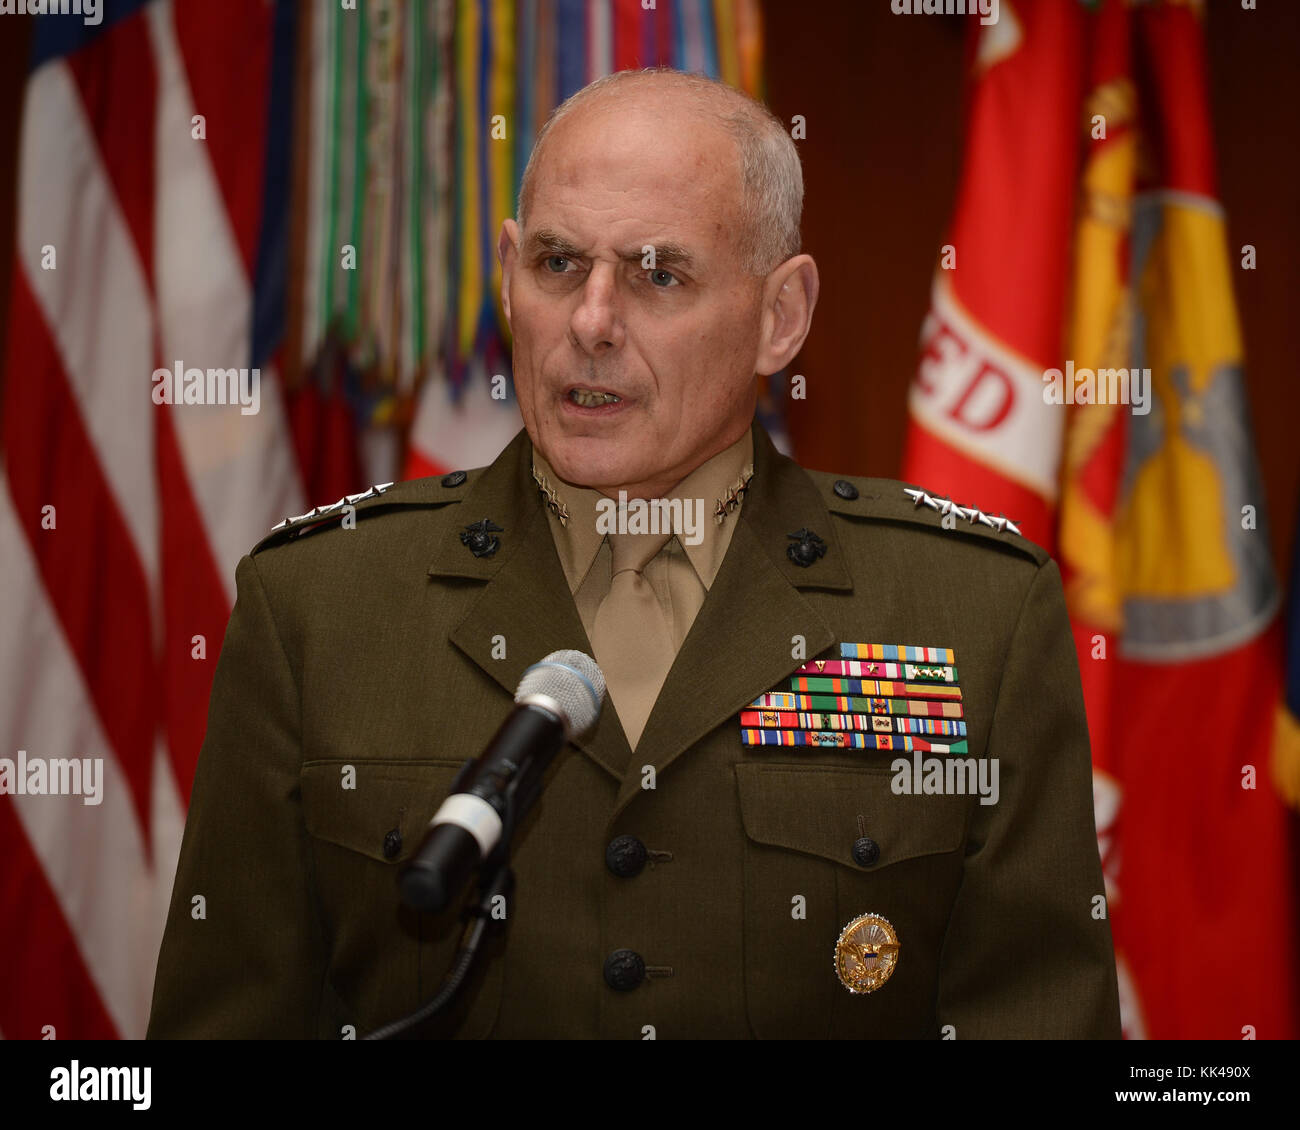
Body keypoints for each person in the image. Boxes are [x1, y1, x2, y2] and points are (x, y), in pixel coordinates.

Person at [147, 68, 1120, 1039]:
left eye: (659, 273)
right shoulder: (318, 604)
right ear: (506, 274)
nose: (591, 321)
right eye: (559, 264)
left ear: (780, 316)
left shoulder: (971, 614)